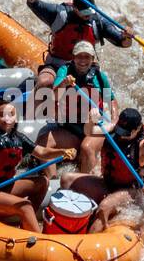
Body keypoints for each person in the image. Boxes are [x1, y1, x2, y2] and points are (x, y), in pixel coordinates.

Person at [0, 102, 74, 232]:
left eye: (10, 115)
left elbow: (42, 152)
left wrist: (63, 152)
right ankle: (38, 238)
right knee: (25, 205)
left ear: (16, 118)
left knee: (42, 182)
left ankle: (26, 225)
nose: (6, 119)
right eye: (1, 115)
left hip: (2, 187)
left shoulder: (19, 138)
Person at [26, 0, 133, 92]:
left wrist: (127, 37)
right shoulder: (59, 14)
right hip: (56, 63)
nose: (88, 16)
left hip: (84, 67)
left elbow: (123, 43)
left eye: (90, 12)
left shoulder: (97, 21)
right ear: (74, 8)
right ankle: (37, 109)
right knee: (45, 82)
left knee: (95, 90)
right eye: (85, 13)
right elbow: (32, 3)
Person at [60, 108, 144, 233]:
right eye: (120, 130)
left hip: (130, 190)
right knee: (66, 180)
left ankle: (89, 241)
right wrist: (91, 120)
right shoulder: (113, 129)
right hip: (108, 183)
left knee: (104, 207)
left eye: (126, 133)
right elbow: (89, 131)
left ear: (137, 129)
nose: (121, 135)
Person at [39, 40, 117, 174]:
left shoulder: (100, 76)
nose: (82, 60)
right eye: (79, 56)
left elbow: (111, 100)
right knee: (43, 142)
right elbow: (54, 96)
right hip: (71, 127)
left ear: (92, 59)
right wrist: (64, 83)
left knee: (86, 148)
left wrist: (115, 121)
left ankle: (84, 183)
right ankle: (51, 181)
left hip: (94, 127)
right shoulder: (65, 71)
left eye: (87, 57)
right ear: (73, 57)